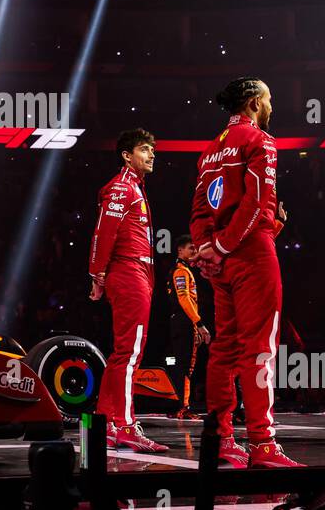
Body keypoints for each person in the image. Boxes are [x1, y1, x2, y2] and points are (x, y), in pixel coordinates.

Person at [190, 77, 303, 469]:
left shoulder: (210, 150)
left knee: (223, 349)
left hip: (224, 262)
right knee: (260, 349)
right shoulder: (260, 142)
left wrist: (208, 250)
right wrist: (222, 246)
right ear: (254, 102)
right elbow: (256, 204)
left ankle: (221, 438)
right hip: (251, 256)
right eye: (269, 99)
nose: (273, 106)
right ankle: (262, 443)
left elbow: (200, 211)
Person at [89, 128, 169, 452]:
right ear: (127, 155)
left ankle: (107, 422)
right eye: (145, 149)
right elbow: (103, 233)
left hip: (138, 272)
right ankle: (124, 425)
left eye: (152, 150)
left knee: (124, 352)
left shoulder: (134, 187)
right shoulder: (122, 188)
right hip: (129, 271)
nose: (152, 155)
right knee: (130, 352)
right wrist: (97, 275)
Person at [167, 235, 211, 420]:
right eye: (191, 248)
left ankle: (182, 406)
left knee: (184, 365)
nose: (194, 251)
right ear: (180, 250)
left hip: (182, 322)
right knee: (186, 366)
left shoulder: (183, 271)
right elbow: (184, 298)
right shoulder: (181, 272)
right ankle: (183, 407)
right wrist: (199, 323)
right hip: (184, 322)